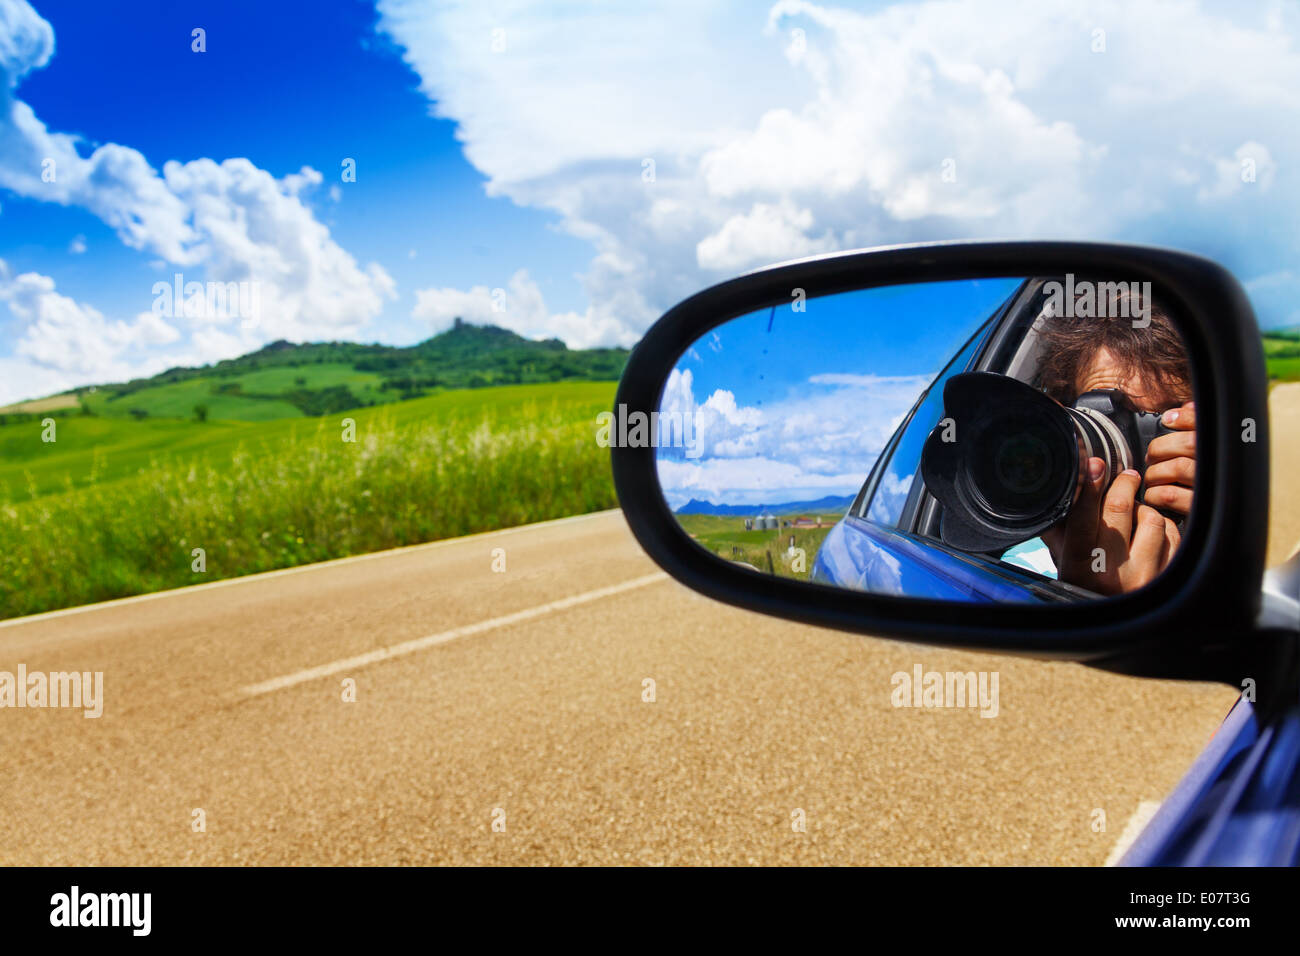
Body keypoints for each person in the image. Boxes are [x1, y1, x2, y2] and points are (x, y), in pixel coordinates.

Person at [1017, 287, 1195, 595]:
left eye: (1166, 422)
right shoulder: (1025, 566)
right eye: (1104, 416)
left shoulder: (1234, 509)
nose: (1139, 451)